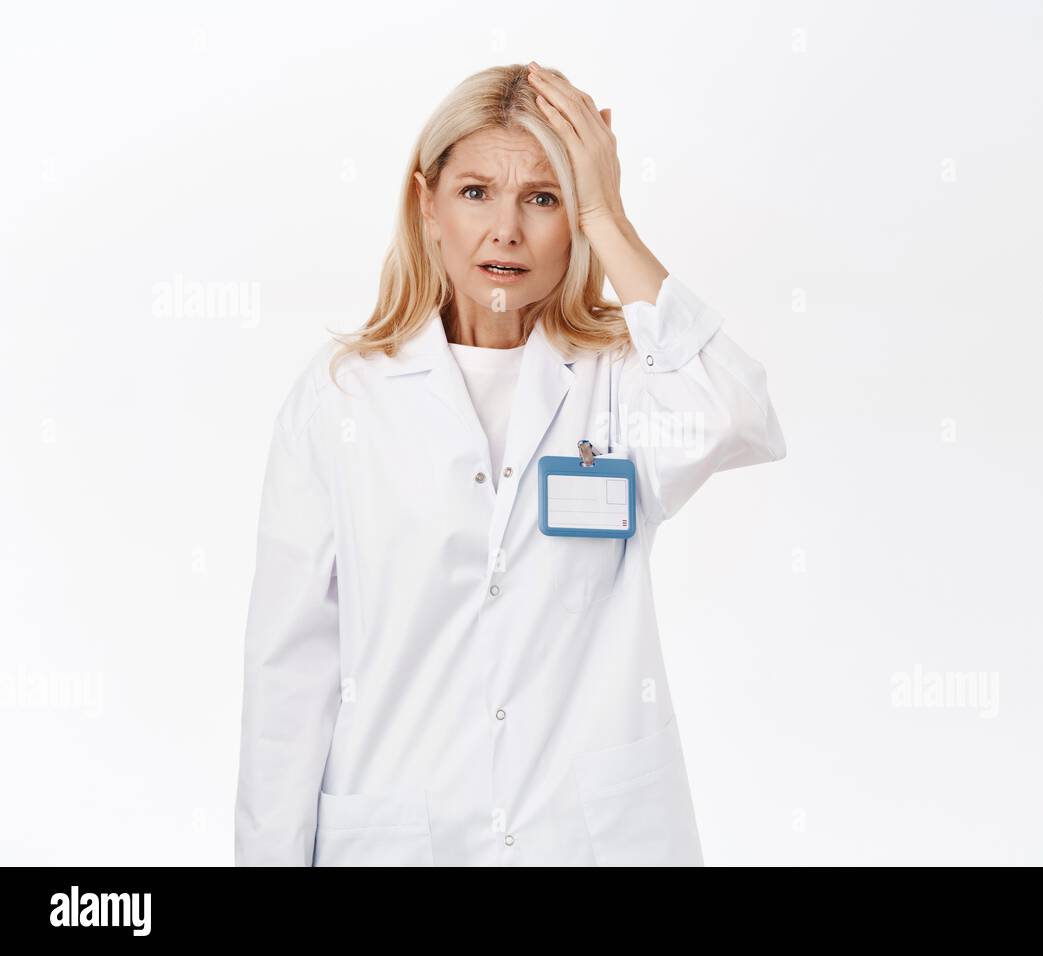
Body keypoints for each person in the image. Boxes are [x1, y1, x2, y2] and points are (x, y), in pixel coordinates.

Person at [234, 61, 787, 866]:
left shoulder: (624, 379)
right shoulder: (342, 399)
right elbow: (288, 669)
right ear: (426, 204)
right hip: (400, 835)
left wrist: (610, 213)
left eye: (543, 197)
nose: (506, 230)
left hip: (588, 839)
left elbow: (739, 417)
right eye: (474, 193)